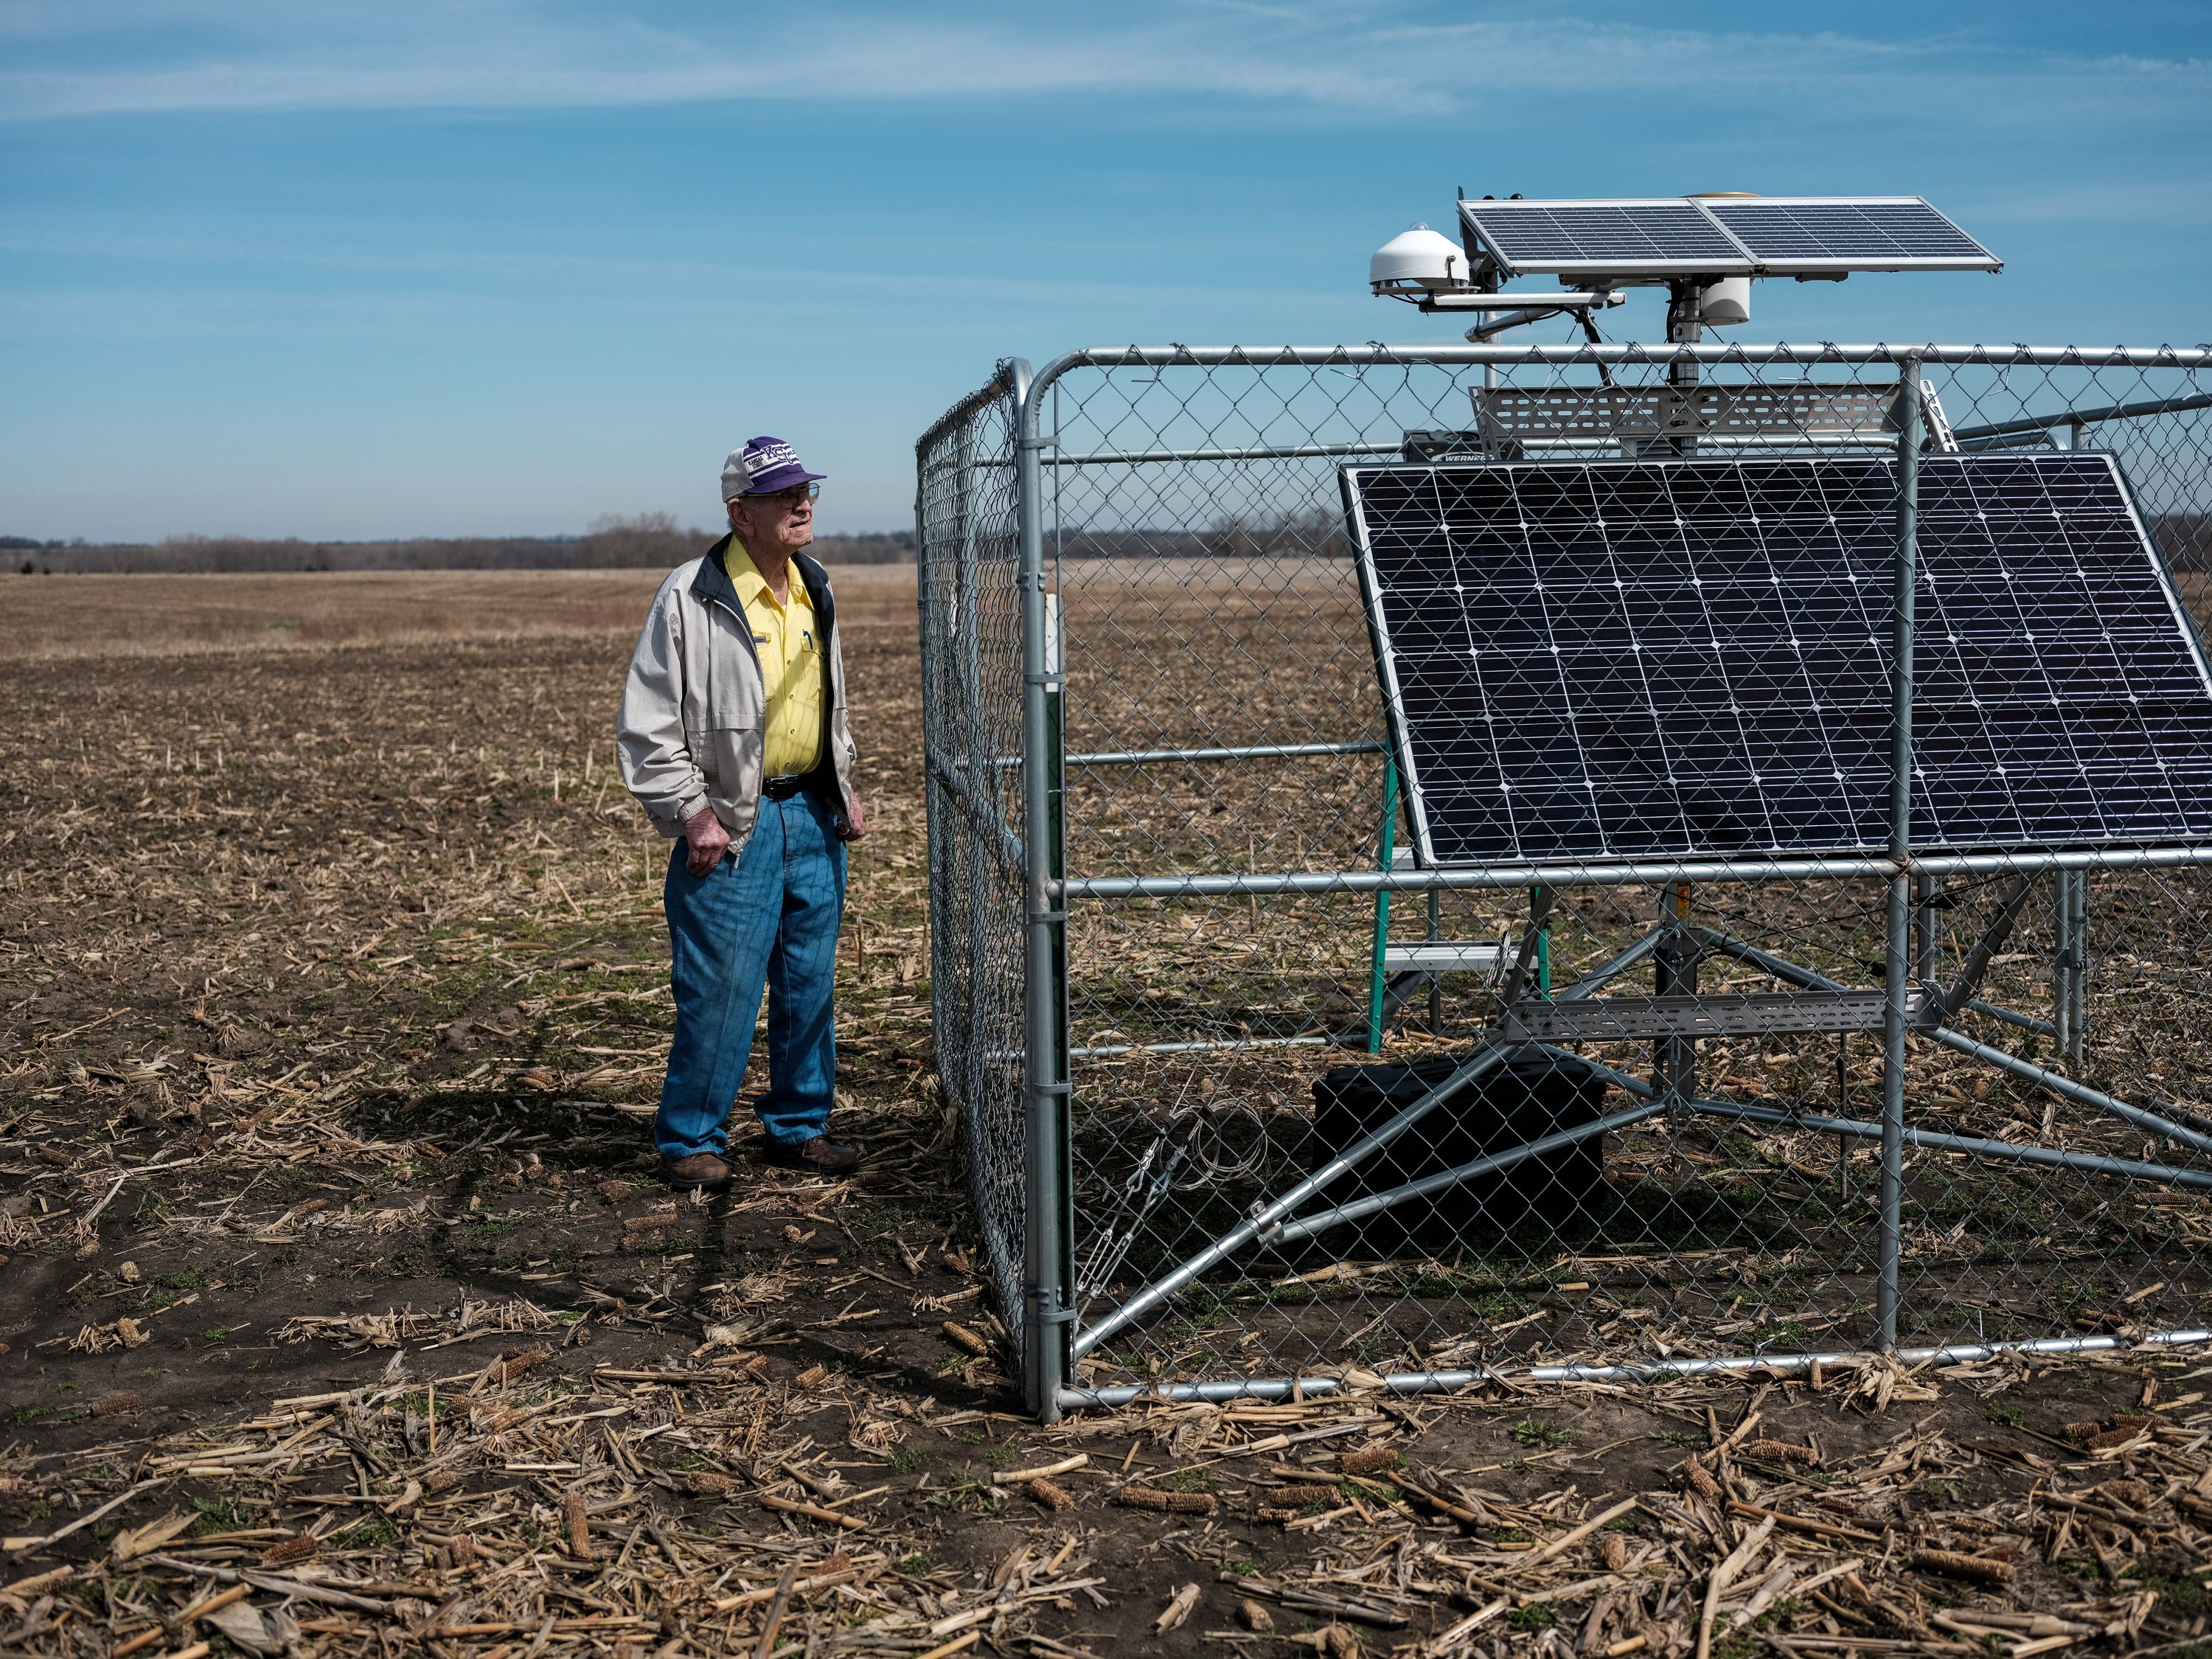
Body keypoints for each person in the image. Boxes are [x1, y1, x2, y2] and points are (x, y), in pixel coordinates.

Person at [616, 437, 867, 1191]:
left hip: (811, 820)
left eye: (807, 490)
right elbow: (648, 725)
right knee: (721, 988)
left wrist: (843, 781)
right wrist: (694, 814)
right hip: (733, 826)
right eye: (783, 494)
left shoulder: (814, 583)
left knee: (808, 981)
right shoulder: (691, 596)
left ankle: (798, 1127)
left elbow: (828, 701)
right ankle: (691, 1140)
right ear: (739, 512)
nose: (803, 503)